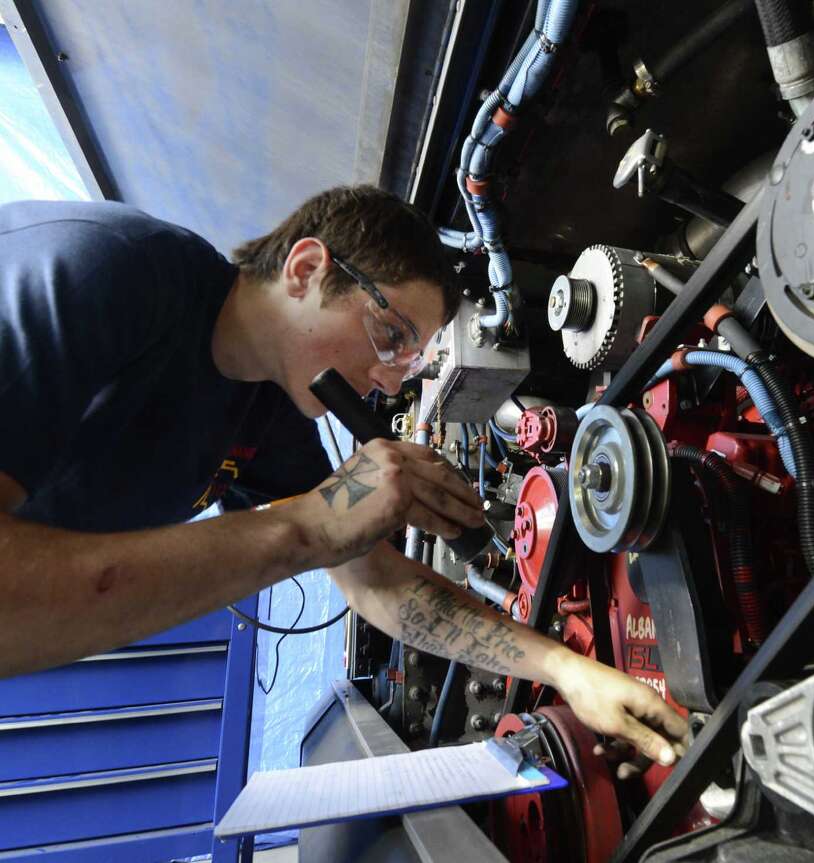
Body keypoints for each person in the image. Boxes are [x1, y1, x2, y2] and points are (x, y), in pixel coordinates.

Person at [0, 186, 687, 770]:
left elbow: (378, 582)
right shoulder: (104, 273)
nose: (391, 377)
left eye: (411, 360)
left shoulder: (265, 413)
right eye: (390, 335)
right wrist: (305, 527)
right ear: (305, 269)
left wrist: (568, 670)